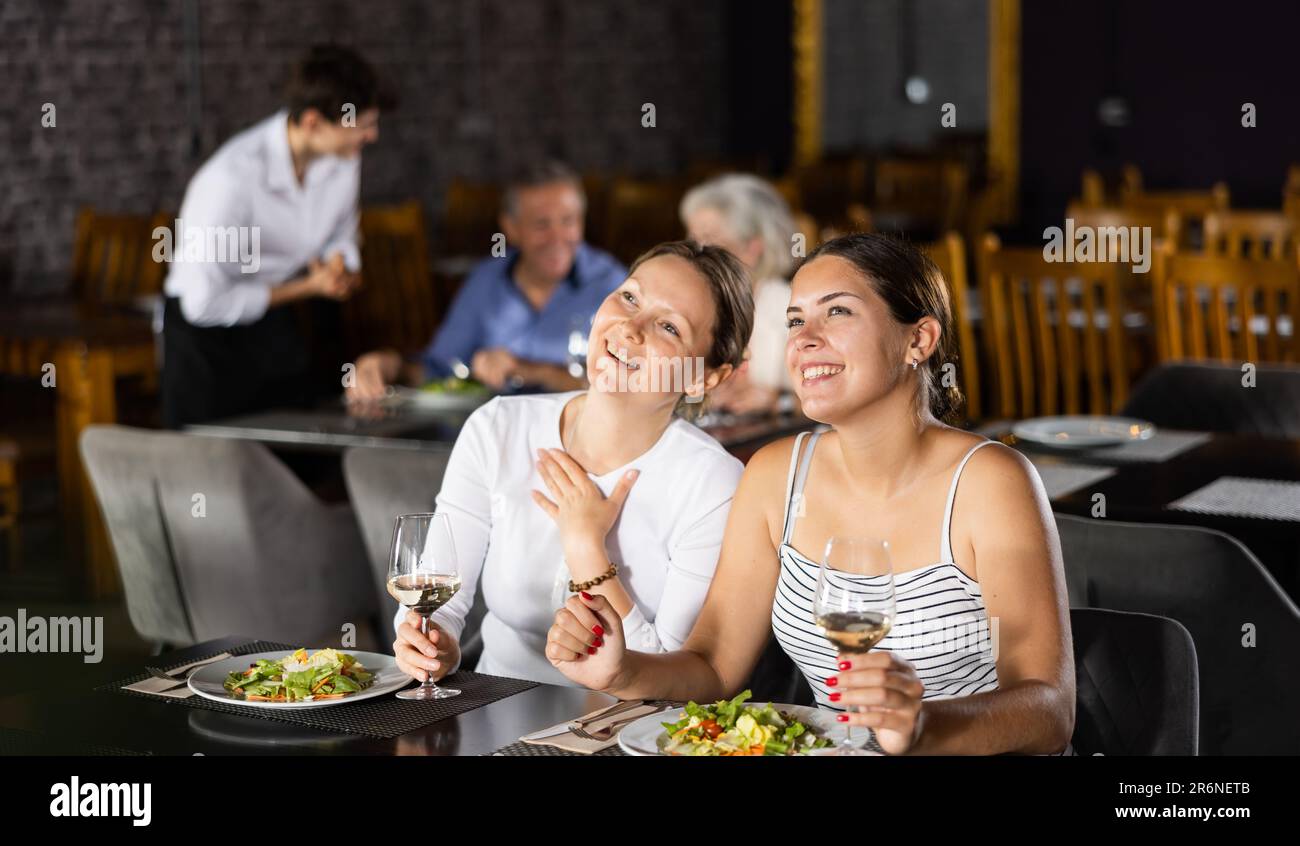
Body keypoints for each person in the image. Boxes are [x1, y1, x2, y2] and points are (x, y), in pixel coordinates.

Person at [544, 233, 1076, 755]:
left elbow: (1050, 712)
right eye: (796, 320)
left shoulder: (991, 482)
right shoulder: (776, 474)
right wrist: (623, 670)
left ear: (919, 340)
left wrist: (918, 728)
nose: (803, 339)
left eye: (837, 313)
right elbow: (712, 669)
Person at [392, 241, 755, 687]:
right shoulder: (497, 426)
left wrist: (587, 549)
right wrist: (432, 641)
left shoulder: (713, 483)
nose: (629, 328)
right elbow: (439, 599)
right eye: (629, 297)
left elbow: (670, 676)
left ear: (705, 377)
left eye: (668, 326)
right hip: (492, 709)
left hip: (624, 733)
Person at [162, 44, 389, 428]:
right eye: (363, 126)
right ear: (313, 123)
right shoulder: (229, 180)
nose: (372, 136)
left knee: (294, 459)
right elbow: (202, 304)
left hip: (275, 324)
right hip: (207, 338)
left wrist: (340, 265)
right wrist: (309, 287)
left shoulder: (343, 158)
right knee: (213, 474)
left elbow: (342, 233)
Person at [347, 161, 625, 401]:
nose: (558, 238)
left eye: (568, 221)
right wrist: (389, 365)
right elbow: (440, 369)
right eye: (542, 225)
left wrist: (531, 371)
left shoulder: (617, 287)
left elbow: (632, 387)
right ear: (511, 229)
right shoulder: (485, 280)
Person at [680, 173, 797, 415]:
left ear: (752, 249)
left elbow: (847, 398)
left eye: (709, 240)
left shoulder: (792, 308)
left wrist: (778, 402)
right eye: (693, 238)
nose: (695, 252)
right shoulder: (693, 304)